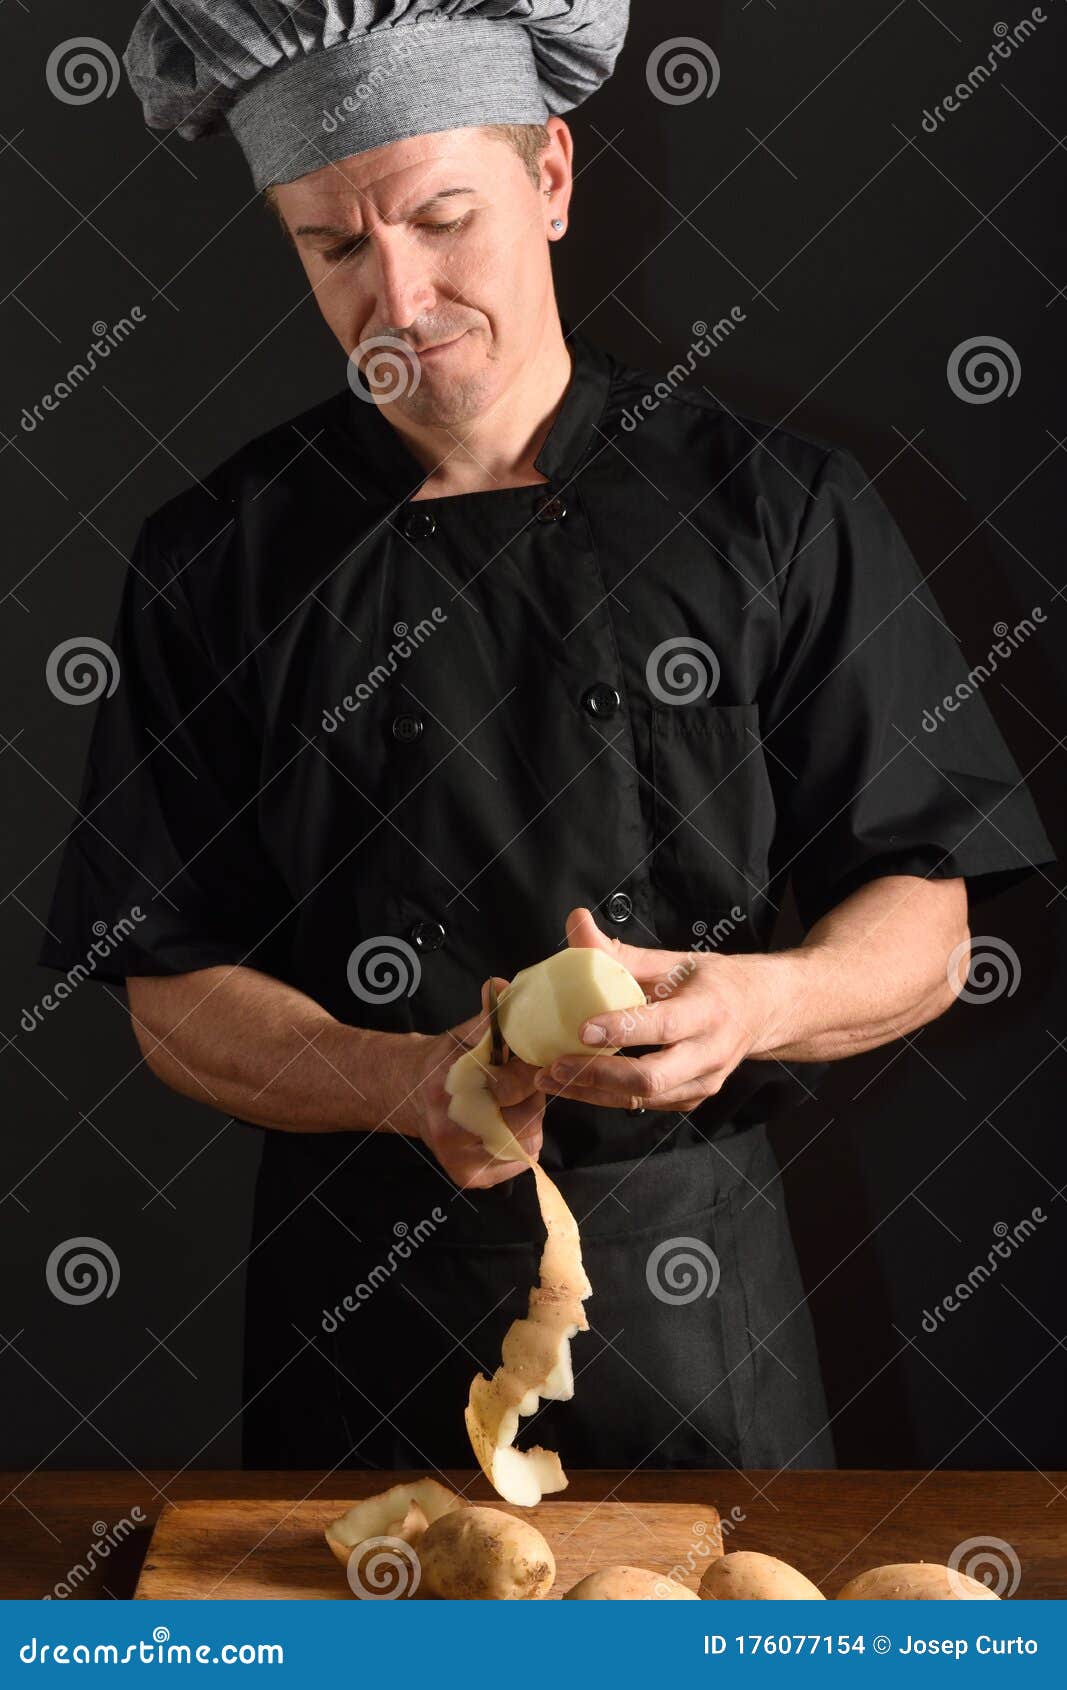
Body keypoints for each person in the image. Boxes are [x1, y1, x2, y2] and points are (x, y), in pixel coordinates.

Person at [41, 0, 1053, 1476]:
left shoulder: (782, 511)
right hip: (357, 1312)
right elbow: (168, 984)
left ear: (554, 179)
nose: (399, 295)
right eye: (333, 245)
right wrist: (401, 1080)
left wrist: (752, 1004)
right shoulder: (216, 559)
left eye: (443, 219)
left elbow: (929, 916)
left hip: (698, 1297)